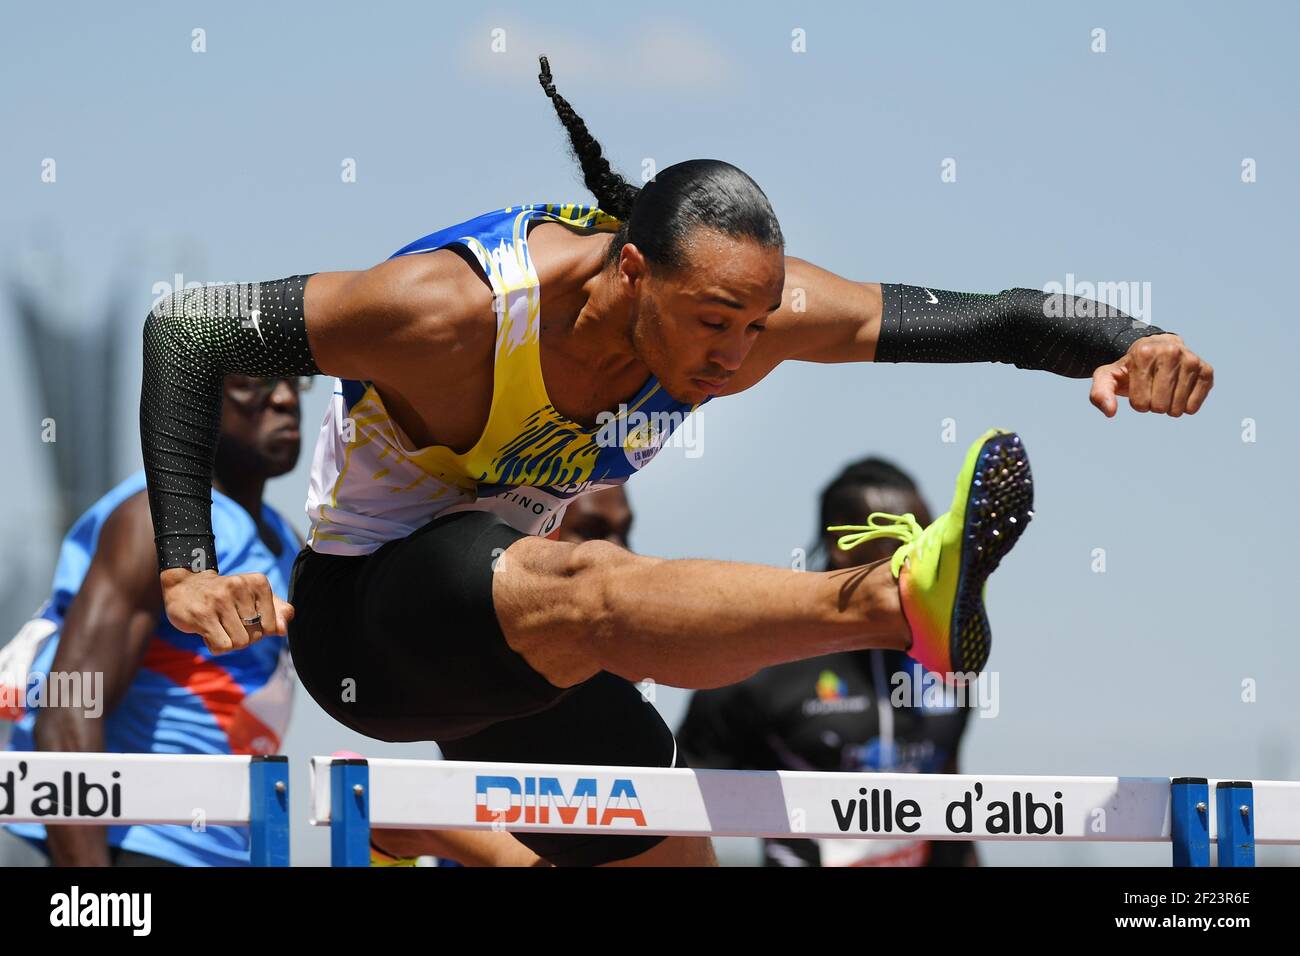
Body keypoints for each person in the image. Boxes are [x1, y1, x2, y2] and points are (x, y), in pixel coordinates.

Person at [136, 57, 1214, 867]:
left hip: (511, 654)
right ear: (631, 271)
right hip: (366, 623)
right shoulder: (455, 311)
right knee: (590, 581)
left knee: (676, 847)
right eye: (712, 323)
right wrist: (183, 560)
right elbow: (190, 331)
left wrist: (1129, 341)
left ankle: (414, 829)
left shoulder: (739, 316)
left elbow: (999, 315)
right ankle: (897, 598)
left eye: (753, 327)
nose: (731, 359)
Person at [0, 374, 306, 866]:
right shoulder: (151, 521)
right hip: (140, 843)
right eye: (254, 385)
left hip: (227, 848)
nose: (286, 399)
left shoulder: (284, 538)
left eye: (295, 382)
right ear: (193, 404)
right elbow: (67, 709)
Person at [680, 457, 979, 867]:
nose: (923, 559)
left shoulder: (946, 666)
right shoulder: (756, 670)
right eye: (902, 541)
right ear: (842, 544)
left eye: (928, 540)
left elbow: (953, 817)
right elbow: (679, 813)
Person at [365, 486, 633, 867]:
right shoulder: (462, 695)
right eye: (591, 533)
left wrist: (442, 833)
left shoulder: (624, 682)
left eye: (624, 531)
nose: (619, 554)